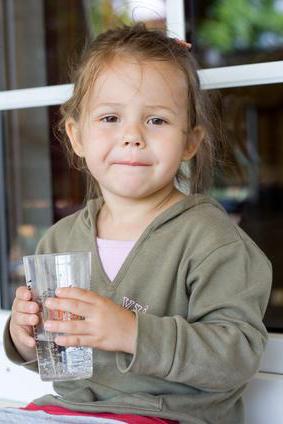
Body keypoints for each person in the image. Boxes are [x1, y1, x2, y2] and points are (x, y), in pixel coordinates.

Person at [2, 23, 272, 424]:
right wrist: (23, 338)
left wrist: (131, 332)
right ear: (76, 136)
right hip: (69, 410)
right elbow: (54, 354)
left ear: (190, 142)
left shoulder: (210, 240)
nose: (132, 136)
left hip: (168, 415)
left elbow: (237, 357)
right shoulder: (60, 239)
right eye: (110, 117)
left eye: (157, 121)